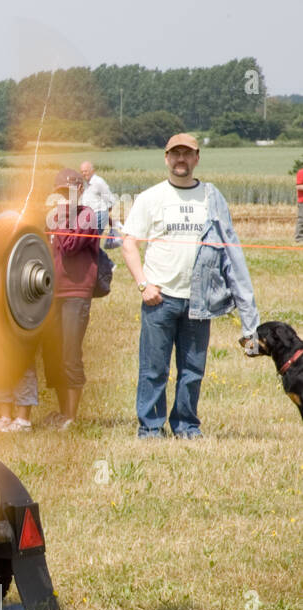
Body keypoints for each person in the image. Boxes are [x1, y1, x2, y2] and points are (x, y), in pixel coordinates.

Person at [119, 133, 260, 439]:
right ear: (166, 158)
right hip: (160, 299)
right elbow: (127, 241)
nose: (180, 159)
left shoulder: (211, 197)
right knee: (153, 370)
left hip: (200, 301)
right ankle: (151, 429)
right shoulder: (151, 198)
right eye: (175, 153)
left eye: (187, 154)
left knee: (192, 372)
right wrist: (144, 284)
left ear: (197, 158)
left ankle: (186, 427)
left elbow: (230, 250)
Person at [42, 168, 101, 429]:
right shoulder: (52, 217)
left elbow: (68, 245)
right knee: (53, 355)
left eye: (71, 192)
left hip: (76, 292)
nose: (66, 197)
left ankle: (71, 416)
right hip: (52, 292)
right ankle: (61, 411)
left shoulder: (87, 216)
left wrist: (63, 213)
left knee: (69, 354)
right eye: (62, 192)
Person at [79, 160, 118, 247]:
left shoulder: (98, 182)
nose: (83, 174)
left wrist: (105, 213)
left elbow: (111, 200)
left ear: (92, 171)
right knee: (90, 241)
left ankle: (96, 258)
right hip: (90, 216)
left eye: (85, 171)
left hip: (98, 215)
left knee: (91, 241)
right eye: (82, 172)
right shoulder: (86, 184)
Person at [295, 162, 303, 244]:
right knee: (301, 219)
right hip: (302, 201)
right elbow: (298, 186)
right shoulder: (301, 172)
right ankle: (299, 238)